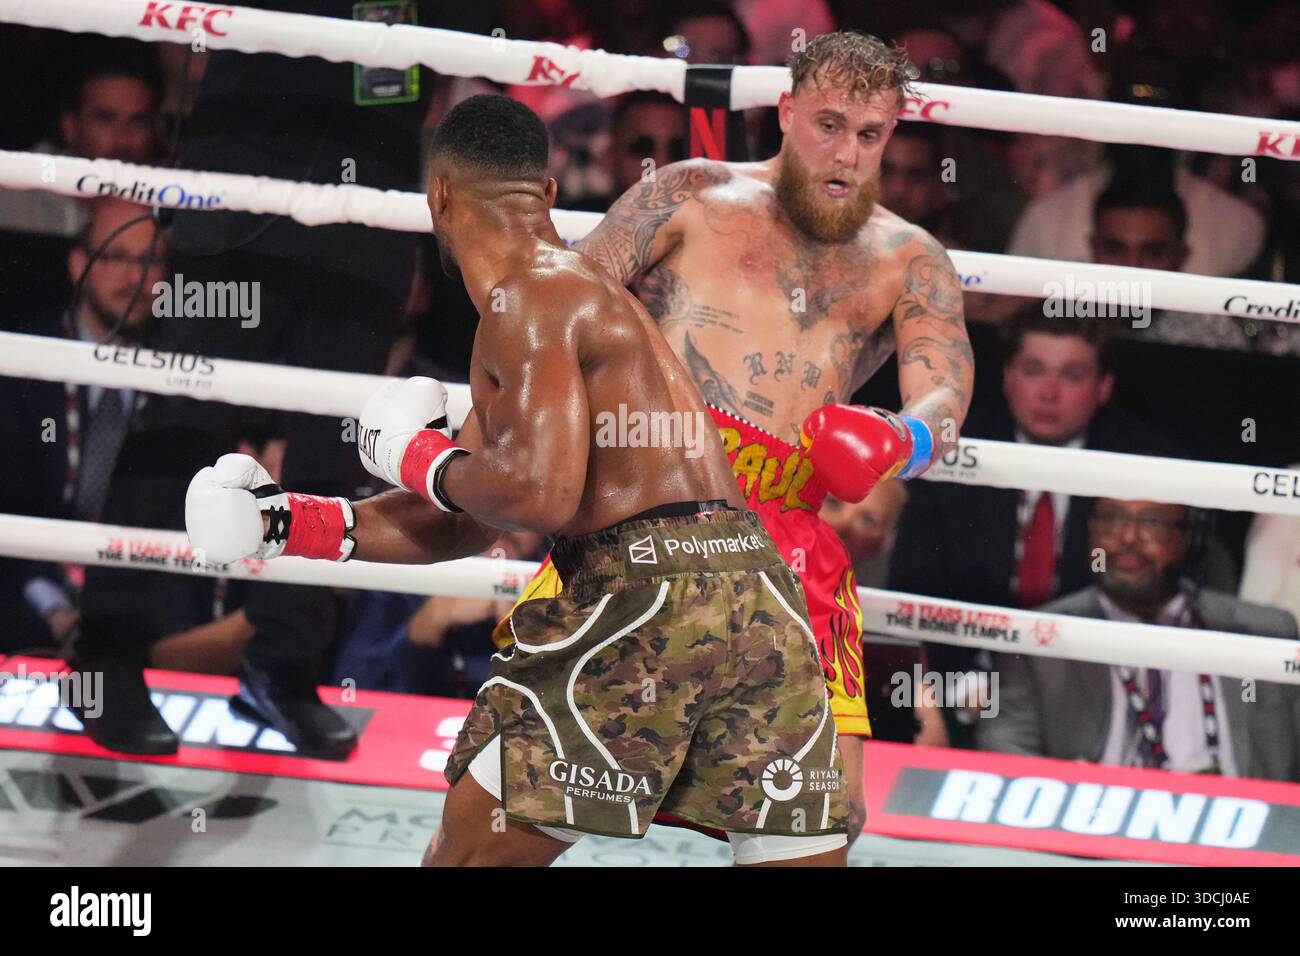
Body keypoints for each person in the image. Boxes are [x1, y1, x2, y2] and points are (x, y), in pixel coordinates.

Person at [185, 93, 875, 867]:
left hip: (641, 595)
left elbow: (535, 495)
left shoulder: (528, 300)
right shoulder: (566, 297)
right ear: (546, 195)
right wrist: (288, 523)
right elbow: (471, 515)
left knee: (465, 859)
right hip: (756, 594)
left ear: (438, 196)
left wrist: (413, 455)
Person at [500, 30, 975, 845]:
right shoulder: (690, 193)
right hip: (655, 516)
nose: (848, 154)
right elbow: (553, 311)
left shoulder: (910, 257)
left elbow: (945, 389)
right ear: (786, 111)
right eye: (828, 124)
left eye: (870, 135)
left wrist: (899, 439)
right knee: (533, 812)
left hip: (793, 549)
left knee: (816, 822)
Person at [977, 498, 1300, 781]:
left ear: (1187, 536)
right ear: (1090, 531)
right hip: (1094, 828)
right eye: (1112, 518)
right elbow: (1004, 748)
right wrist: (1065, 789)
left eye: (1153, 522)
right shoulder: (1038, 634)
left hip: (1241, 830)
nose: (1128, 538)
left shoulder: (1262, 629)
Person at [0, 198, 164, 656]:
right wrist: (52, 609)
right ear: (79, 265)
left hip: (142, 604)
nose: (135, 278)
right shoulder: (21, 365)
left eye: (150, 261)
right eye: (116, 257)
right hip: (25, 596)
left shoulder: (186, 378)